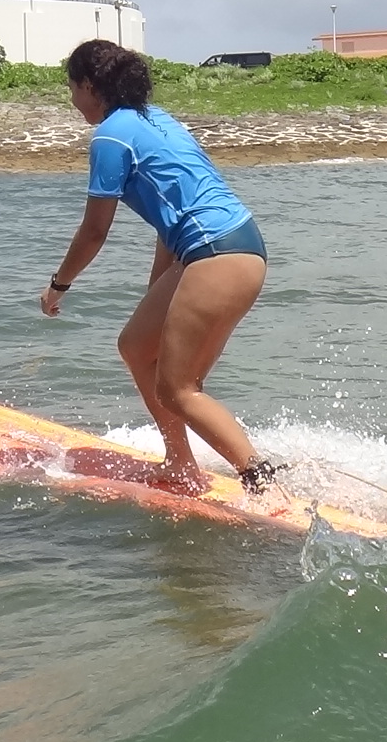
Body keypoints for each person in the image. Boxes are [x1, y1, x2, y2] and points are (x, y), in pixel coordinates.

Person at [40, 39, 279, 498]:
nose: (73, 102)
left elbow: (94, 231)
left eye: (72, 89)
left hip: (216, 256)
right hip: (236, 247)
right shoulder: (158, 120)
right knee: (135, 345)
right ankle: (179, 464)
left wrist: (58, 285)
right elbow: (169, 215)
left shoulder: (110, 137)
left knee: (179, 389)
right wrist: (158, 293)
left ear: (90, 86)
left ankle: (262, 480)